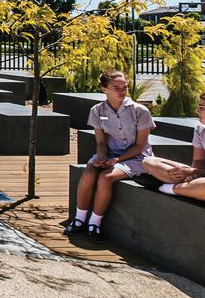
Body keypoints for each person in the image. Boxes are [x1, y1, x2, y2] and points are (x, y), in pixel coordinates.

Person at [64, 70, 154, 243]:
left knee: (106, 177)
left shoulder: (140, 111)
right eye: (116, 88)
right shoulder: (97, 110)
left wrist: (117, 161)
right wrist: (101, 157)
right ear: (104, 89)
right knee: (89, 172)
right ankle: (79, 219)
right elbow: (101, 143)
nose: (122, 91)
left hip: (136, 157)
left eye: (125, 87)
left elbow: (140, 145)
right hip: (110, 153)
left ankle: (94, 224)